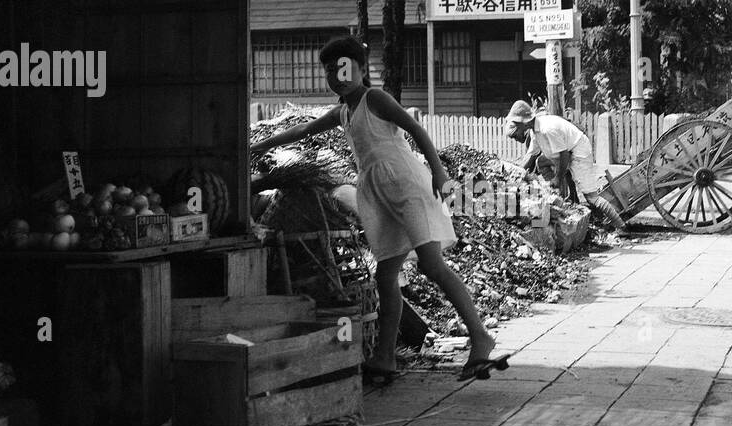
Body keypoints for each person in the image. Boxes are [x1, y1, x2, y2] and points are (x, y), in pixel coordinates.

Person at [252, 37, 507, 384]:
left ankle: (480, 336)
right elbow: (304, 129)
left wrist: (440, 172)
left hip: (407, 186)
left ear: (359, 68)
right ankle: (384, 357)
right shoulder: (344, 111)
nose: (337, 75)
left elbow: (415, 128)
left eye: (343, 67)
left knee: (432, 265)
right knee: (385, 277)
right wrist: (263, 143)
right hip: (378, 195)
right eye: (329, 70)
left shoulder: (375, 99)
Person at [504, 100, 630, 233]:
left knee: (592, 198)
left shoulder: (547, 129)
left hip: (578, 151)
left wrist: (558, 178)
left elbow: (564, 156)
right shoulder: (535, 130)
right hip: (567, 151)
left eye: (516, 125)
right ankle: (557, 194)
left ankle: (621, 226)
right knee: (541, 162)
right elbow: (531, 156)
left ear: (522, 122)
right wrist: (514, 175)